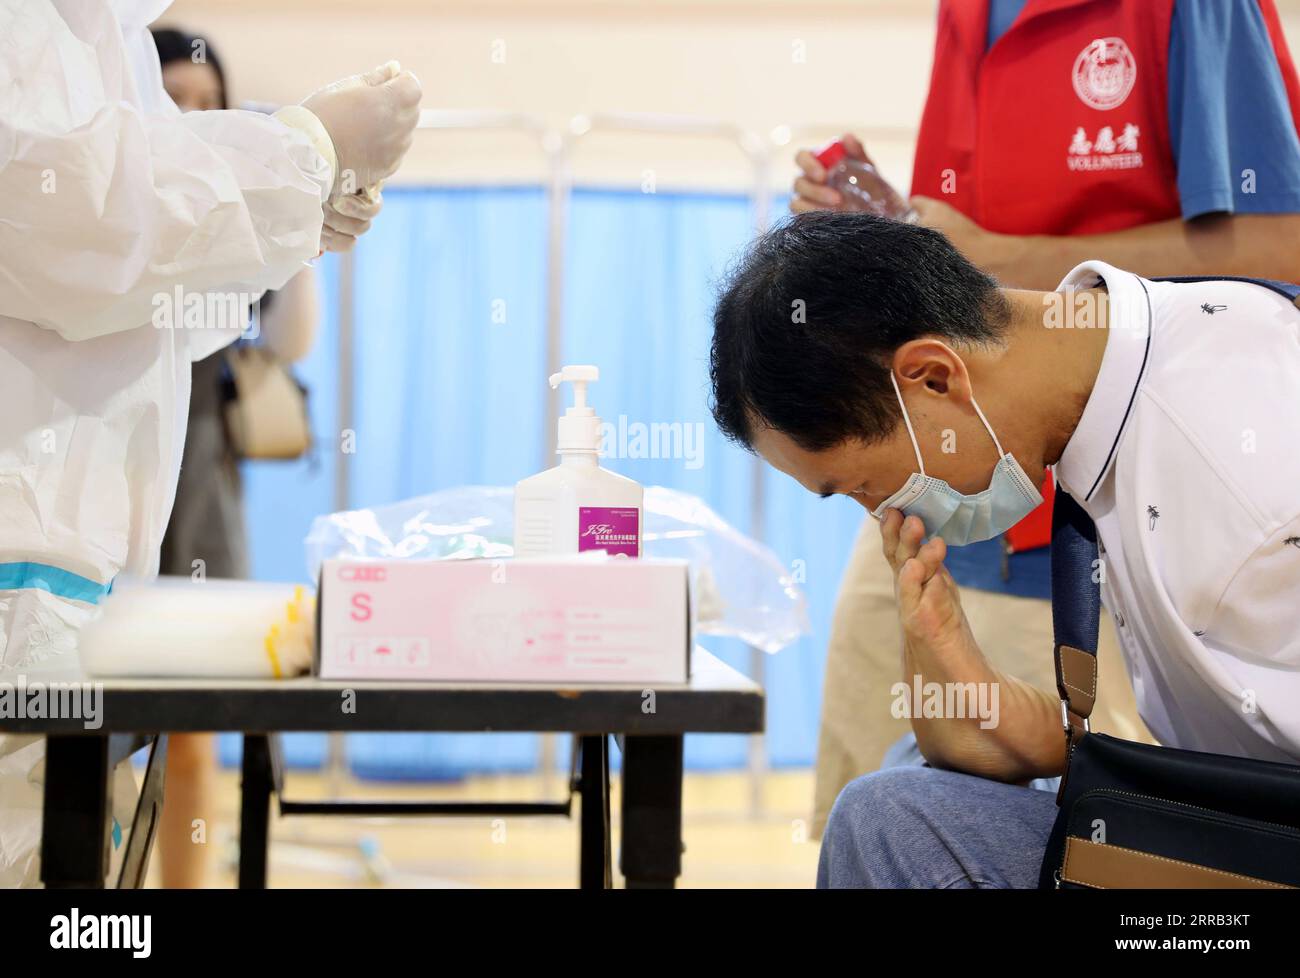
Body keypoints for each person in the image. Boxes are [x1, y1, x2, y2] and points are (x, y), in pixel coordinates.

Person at [789, 0, 1300, 837]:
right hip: (957, 472)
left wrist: (987, 256)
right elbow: (958, 291)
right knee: (877, 809)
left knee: (1093, 818)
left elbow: (1279, 243)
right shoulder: (967, 16)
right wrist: (901, 241)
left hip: (1089, 492)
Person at [708, 211, 1300, 886]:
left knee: (884, 821)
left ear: (933, 377)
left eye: (866, 487)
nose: (884, 513)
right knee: (906, 784)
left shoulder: (1237, 472)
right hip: (1246, 823)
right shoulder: (1117, 379)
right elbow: (1218, 755)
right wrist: (960, 672)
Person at [0, 0, 421, 887]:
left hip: (86, 565)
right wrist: (301, 156)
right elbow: (85, 218)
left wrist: (298, 215)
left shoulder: (102, 39)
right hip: (26, 570)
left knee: (93, 854)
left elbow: (164, 300)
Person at [149, 26, 325, 889]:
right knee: (84, 719)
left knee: (195, 713)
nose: (192, 116)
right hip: (102, 474)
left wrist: (300, 222)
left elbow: (289, 342)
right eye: (173, 97)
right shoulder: (99, 201)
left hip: (199, 467)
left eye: (207, 102)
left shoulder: (232, 202)